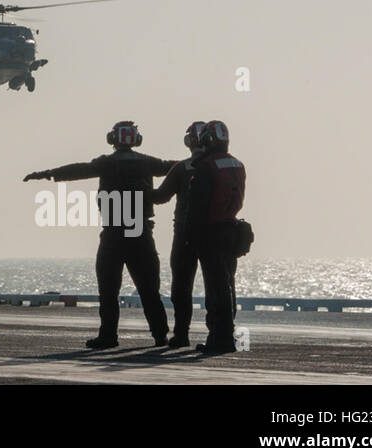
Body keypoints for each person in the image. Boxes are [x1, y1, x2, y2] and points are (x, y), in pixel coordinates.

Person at [24, 121, 176, 349]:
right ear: (137, 139)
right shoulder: (147, 163)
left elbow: (78, 170)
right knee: (149, 290)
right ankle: (160, 335)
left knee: (108, 289)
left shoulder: (107, 163)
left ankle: (108, 336)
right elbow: (175, 167)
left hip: (114, 233)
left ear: (112, 139)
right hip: (141, 232)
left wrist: (47, 174)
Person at [185, 119, 246, 354]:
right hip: (232, 231)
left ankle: (218, 338)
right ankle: (228, 335)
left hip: (210, 233)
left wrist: (191, 235)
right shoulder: (237, 164)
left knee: (215, 288)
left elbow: (198, 206)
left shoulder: (205, 167)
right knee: (229, 284)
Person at [151, 121, 206, 348]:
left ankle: (181, 334)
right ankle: (221, 334)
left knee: (182, 286)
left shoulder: (183, 168)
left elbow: (160, 196)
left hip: (184, 233)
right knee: (219, 285)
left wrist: (137, 189)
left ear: (189, 141)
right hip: (215, 234)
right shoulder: (225, 165)